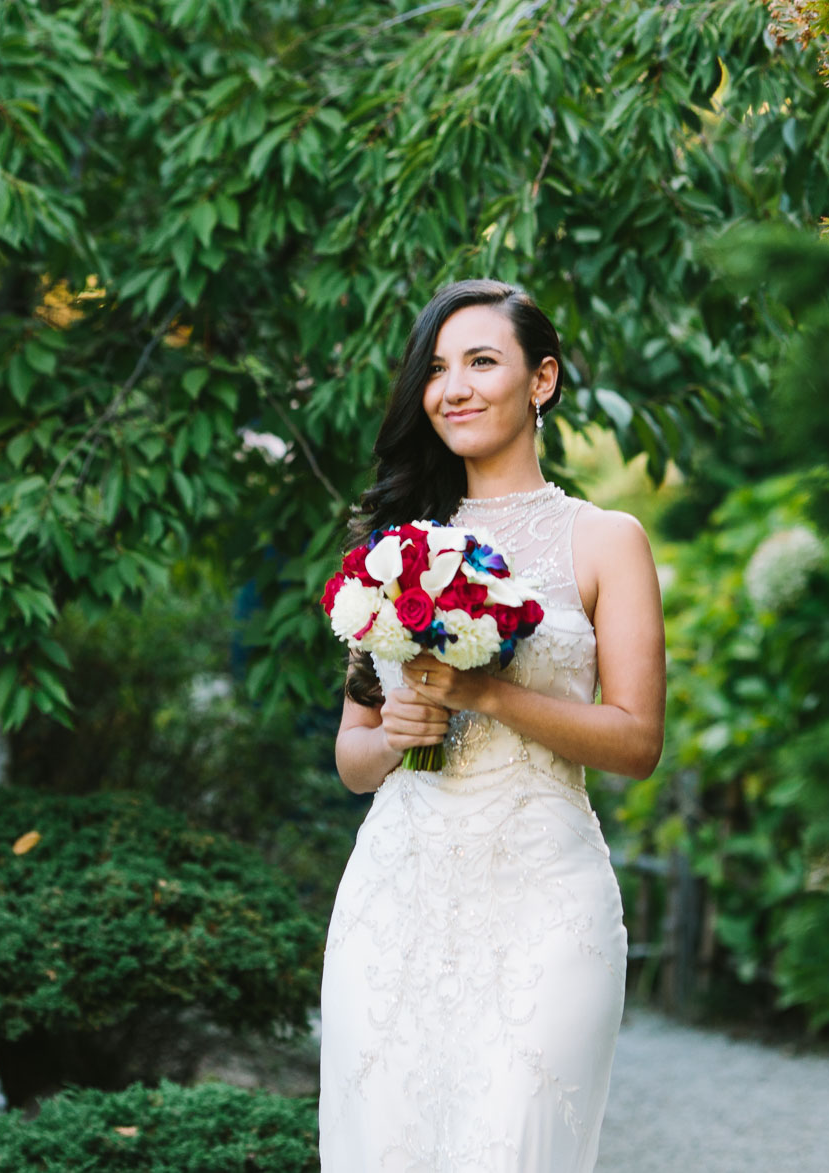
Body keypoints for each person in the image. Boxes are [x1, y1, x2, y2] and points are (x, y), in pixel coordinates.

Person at [318, 278, 666, 1171]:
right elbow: (353, 758)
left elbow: (637, 741)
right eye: (436, 369)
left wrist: (492, 696)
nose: (454, 388)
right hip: (396, 899)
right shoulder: (392, 547)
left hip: (544, 902)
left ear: (542, 380)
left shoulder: (606, 540)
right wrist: (395, 732)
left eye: (481, 361)